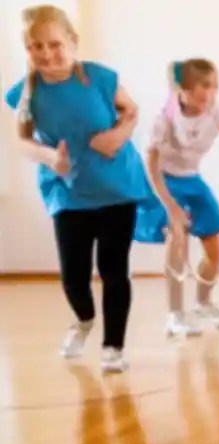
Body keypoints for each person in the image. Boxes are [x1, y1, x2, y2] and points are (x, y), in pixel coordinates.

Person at [5, 5, 151, 373]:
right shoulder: (25, 93)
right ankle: (84, 320)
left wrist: (116, 136)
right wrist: (49, 157)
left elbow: (131, 111)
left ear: (72, 41)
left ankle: (113, 346)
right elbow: (21, 141)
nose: (46, 53)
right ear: (27, 49)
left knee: (114, 269)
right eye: (35, 46)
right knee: (74, 275)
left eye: (54, 43)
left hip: (117, 188)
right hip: (67, 194)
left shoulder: (99, 78)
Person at [137, 58, 219, 338]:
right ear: (182, 90)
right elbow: (151, 167)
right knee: (177, 238)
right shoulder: (163, 119)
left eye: (214, 86)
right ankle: (175, 313)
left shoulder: (217, 111)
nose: (210, 92)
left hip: (192, 179)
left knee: (216, 251)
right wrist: (171, 207)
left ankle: (203, 303)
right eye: (203, 86)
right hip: (163, 181)